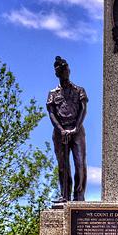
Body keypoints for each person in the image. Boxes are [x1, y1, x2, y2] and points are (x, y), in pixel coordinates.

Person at [46, 56, 87, 203]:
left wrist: (76, 128)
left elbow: (83, 110)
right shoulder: (53, 93)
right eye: (62, 71)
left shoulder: (79, 90)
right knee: (63, 165)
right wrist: (60, 129)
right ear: (58, 74)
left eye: (66, 70)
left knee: (80, 163)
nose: (65, 73)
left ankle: (79, 196)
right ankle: (65, 195)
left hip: (77, 131)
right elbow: (51, 113)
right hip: (59, 132)